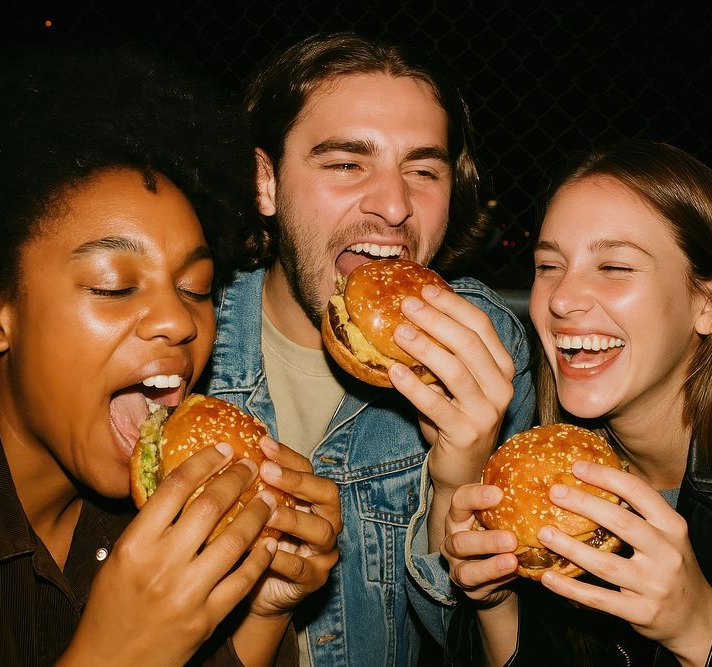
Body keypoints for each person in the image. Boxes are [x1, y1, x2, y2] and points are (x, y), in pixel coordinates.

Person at [0, 46, 341, 665]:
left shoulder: (171, 521)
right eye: (114, 285)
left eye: (196, 289)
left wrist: (264, 608)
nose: (178, 321)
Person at [440, 139, 712, 666]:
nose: (561, 299)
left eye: (614, 267)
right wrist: (495, 603)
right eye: (548, 266)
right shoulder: (545, 486)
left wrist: (701, 629)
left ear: (709, 303)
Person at [197, 32, 536, 665]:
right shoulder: (182, 344)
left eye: (423, 170)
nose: (394, 206)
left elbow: (473, 646)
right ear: (265, 182)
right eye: (347, 163)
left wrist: (458, 477)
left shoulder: (487, 353)